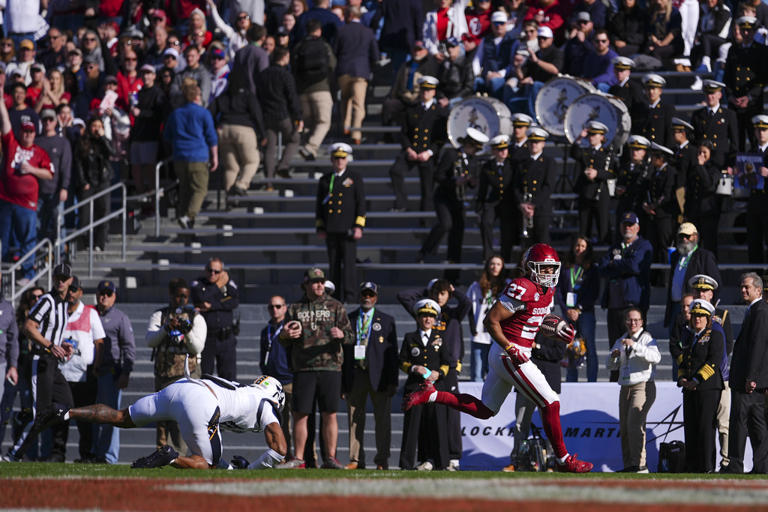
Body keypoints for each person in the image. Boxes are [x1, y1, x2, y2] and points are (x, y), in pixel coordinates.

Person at [403, 243, 593, 473]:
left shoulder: (547, 291)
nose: (548, 273)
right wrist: (510, 347)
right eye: (543, 269)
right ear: (531, 268)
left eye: (551, 269)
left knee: (485, 410)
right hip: (510, 352)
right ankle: (563, 460)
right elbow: (491, 321)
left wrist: (556, 327)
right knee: (550, 401)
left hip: (508, 352)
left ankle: (431, 394)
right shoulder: (523, 287)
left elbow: (532, 318)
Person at [33, 374, 288, 470]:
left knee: (121, 416)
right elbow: (280, 449)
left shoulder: (245, 390)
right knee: (205, 464)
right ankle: (170, 457)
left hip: (182, 386)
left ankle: (66, 413)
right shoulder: (267, 404)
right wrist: (254, 469)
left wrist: (236, 471)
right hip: (201, 401)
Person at [276, 267, 353, 469]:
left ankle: (330, 458)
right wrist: (285, 335)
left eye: (321, 281)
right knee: (300, 414)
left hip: (331, 366)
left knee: (330, 413)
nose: (319, 285)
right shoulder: (295, 308)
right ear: (306, 284)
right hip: (303, 368)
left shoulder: (336, 306)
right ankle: (299, 458)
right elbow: (283, 339)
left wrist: (342, 335)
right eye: (315, 282)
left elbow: (351, 336)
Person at [6, 264, 74, 461]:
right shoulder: (48, 300)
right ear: (53, 279)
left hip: (53, 362)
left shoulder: (63, 304)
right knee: (42, 413)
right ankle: (14, 454)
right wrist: (50, 344)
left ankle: (26, 418)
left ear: (70, 281)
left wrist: (62, 345)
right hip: (41, 360)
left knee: (66, 405)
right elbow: (28, 326)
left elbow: (49, 332)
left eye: (64, 278)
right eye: (57, 277)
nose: (60, 281)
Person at [146, 278, 207, 456]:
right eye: (178, 296)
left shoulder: (196, 318)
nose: (182, 300)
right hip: (164, 373)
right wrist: (165, 328)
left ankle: (182, 455)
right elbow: (150, 341)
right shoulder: (160, 315)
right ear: (171, 295)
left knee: (185, 418)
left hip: (188, 375)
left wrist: (186, 331)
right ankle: (161, 453)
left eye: (185, 296)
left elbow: (197, 348)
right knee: (162, 417)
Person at [342, 282, 399, 470]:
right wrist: (343, 384)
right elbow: (343, 353)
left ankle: (382, 459)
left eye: (371, 294)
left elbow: (392, 354)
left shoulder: (386, 320)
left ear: (376, 297)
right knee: (354, 419)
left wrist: (393, 381)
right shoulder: (349, 319)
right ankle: (355, 459)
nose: (367, 297)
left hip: (380, 376)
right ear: (359, 296)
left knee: (382, 420)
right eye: (364, 294)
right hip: (355, 374)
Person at [0, 92, 53, 284]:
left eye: (31, 132)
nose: (28, 135)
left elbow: (49, 173)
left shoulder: (39, 153)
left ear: (34, 134)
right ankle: (2, 271)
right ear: (21, 132)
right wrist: (0, 101)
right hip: (6, 198)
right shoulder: (12, 144)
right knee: (2, 237)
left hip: (27, 203)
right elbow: (5, 123)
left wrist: (31, 169)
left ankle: (28, 272)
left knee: (28, 238)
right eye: (25, 132)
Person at [417, 127, 487, 266]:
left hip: (459, 199)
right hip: (444, 197)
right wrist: (454, 181)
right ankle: (426, 251)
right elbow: (438, 175)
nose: (475, 152)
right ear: (468, 144)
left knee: (458, 232)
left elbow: (474, 180)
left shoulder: (473, 160)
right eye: (474, 148)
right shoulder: (451, 155)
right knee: (445, 224)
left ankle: (453, 263)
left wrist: (471, 182)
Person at [54, 277, 105, 463]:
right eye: (69, 289)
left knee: (86, 419)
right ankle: (58, 453)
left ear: (81, 292)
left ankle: (86, 454)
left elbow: (99, 342)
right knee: (60, 417)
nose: (71, 293)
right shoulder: (57, 311)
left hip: (84, 375)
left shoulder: (90, 313)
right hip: (61, 374)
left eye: (74, 289)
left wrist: (96, 367)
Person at [686, 274, 733, 471]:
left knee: (720, 425)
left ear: (711, 293)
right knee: (694, 426)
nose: (701, 294)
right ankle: (695, 466)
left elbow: (725, 348)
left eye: (704, 291)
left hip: (717, 378)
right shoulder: (690, 323)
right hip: (693, 382)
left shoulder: (721, 316)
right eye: (697, 291)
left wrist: (701, 377)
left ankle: (725, 463)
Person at [599, 212, 653, 381]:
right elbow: (602, 267)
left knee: (634, 345)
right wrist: (623, 264)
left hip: (633, 306)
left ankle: (633, 379)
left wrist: (615, 264)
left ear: (637, 227)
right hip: (614, 305)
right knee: (615, 347)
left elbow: (635, 266)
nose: (627, 228)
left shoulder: (644, 245)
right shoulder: (615, 246)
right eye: (625, 225)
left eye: (631, 225)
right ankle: (614, 380)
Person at [398, 299, 451, 470]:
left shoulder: (440, 338)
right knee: (412, 426)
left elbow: (447, 362)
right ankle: (406, 464)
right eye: (424, 316)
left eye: (430, 316)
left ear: (435, 319)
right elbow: (402, 361)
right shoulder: (409, 337)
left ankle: (441, 463)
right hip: (415, 388)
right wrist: (414, 367)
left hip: (435, 388)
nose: (427, 319)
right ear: (418, 318)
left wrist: (439, 373)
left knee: (437, 425)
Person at [724, 273, 768, 474]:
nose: (743, 290)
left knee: (739, 423)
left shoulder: (760, 311)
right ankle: (761, 466)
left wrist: (751, 377)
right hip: (753, 380)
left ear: (758, 290)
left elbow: (758, 346)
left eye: (747, 287)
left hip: (748, 381)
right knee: (756, 424)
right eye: (741, 287)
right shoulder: (756, 310)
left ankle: (735, 464)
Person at [607, 307, 660, 473]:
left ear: (642, 322)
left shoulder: (646, 338)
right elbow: (610, 366)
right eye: (630, 320)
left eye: (636, 320)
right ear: (625, 322)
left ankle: (640, 465)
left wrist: (635, 346)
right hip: (625, 386)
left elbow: (656, 358)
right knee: (624, 427)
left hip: (642, 385)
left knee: (635, 424)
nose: (633, 323)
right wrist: (614, 356)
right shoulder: (621, 339)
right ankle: (629, 465)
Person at [505, 329, 565, 472]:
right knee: (520, 424)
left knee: (551, 424)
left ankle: (552, 462)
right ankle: (518, 461)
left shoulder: (559, 326)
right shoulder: (526, 322)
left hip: (548, 382)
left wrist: (537, 347)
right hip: (525, 380)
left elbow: (558, 354)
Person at [677, 298, 725, 473]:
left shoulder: (715, 335)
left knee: (705, 427)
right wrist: (682, 379)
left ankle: (706, 466)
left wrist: (697, 380)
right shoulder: (689, 337)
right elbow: (684, 361)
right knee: (691, 426)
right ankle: (691, 465)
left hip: (708, 387)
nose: (697, 319)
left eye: (701, 316)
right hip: (689, 388)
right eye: (695, 315)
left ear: (708, 318)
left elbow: (714, 361)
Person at [315, 143, 365, 303]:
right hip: (331, 228)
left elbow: (361, 203)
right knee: (334, 264)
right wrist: (320, 226)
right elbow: (319, 206)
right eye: (336, 158)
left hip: (348, 228)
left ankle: (350, 296)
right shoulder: (325, 179)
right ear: (331, 159)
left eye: (342, 158)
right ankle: (335, 297)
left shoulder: (354, 177)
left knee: (349, 265)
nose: (339, 161)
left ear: (347, 159)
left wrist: (359, 225)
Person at [389, 75, 448, 212]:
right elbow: (403, 132)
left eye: (428, 90)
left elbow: (441, 138)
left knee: (427, 189)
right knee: (395, 171)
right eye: (423, 90)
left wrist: (429, 152)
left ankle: (424, 220)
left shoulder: (440, 112)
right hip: (412, 151)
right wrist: (408, 149)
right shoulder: (412, 109)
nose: (425, 93)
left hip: (427, 154)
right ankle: (401, 203)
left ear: (433, 92)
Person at [163, 82, 218, 230]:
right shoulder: (203, 113)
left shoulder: (175, 114)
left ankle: (185, 222)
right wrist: (215, 156)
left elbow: (167, 136)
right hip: (198, 156)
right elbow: (211, 137)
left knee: (185, 190)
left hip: (180, 156)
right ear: (196, 96)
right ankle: (189, 216)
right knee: (200, 189)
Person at [92, 279, 135, 464]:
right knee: (91, 415)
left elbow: (129, 347)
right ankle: (94, 452)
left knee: (110, 415)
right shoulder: (88, 313)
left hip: (110, 372)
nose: (104, 297)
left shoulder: (120, 318)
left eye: (108, 294)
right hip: (88, 372)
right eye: (102, 293)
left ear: (114, 297)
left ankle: (109, 456)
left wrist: (126, 372)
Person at [208, 83, 264, 199]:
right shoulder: (247, 95)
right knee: (252, 161)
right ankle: (241, 184)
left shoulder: (223, 96)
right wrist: (262, 134)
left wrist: (215, 126)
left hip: (223, 131)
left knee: (231, 168)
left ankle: (230, 199)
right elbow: (257, 114)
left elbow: (210, 112)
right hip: (244, 129)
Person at [663, 222, 721, 332]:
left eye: (687, 236)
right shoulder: (676, 255)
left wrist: (707, 308)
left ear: (695, 236)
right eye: (681, 236)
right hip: (676, 306)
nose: (684, 239)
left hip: (695, 309)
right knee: (675, 340)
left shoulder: (704, 256)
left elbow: (716, 283)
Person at [557, 236, 600, 382]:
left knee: (590, 347)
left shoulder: (592, 268)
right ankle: (571, 381)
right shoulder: (566, 266)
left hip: (585, 313)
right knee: (571, 347)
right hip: (568, 314)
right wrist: (566, 310)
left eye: (583, 246)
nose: (579, 249)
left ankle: (592, 381)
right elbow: (559, 291)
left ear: (587, 249)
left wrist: (579, 309)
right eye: (577, 245)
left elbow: (594, 292)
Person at [292, 19, 336, 161]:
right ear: (319, 30)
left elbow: (293, 67)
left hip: (303, 91)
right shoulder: (324, 45)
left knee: (309, 123)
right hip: (322, 89)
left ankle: (308, 153)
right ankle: (310, 147)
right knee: (323, 122)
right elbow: (332, 65)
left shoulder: (299, 46)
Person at [335, 6, 379, 145]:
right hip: (361, 71)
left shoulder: (341, 31)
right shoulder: (368, 32)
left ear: (348, 15)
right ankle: (356, 133)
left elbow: (335, 50)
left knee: (345, 99)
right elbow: (375, 55)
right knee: (358, 103)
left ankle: (345, 127)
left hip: (344, 70)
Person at [258, 47, 302, 185]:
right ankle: (283, 166)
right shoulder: (285, 75)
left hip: (266, 116)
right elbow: (292, 97)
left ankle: (269, 181)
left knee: (269, 149)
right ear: (285, 57)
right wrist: (298, 117)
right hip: (283, 115)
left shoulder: (262, 75)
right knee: (294, 139)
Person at [191, 258, 240, 381]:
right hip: (208, 338)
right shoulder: (199, 284)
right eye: (210, 270)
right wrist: (218, 286)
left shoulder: (229, 284)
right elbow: (201, 297)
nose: (212, 274)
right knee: (205, 377)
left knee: (229, 378)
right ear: (205, 270)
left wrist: (212, 305)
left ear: (222, 272)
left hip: (226, 338)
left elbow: (234, 302)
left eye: (216, 272)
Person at [260, 296, 294, 459]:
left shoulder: (290, 328)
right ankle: (282, 457)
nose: (275, 310)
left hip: (289, 381)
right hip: (272, 384)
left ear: (285, 308)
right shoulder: (266, 331)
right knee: (277, 424)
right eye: (271, 307)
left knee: (297, 422)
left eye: (278, 306)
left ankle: (304, 457)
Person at [74, 117, 114, 252]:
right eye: (94, 126)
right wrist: (83, 181)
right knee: (85, 215)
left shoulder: (104, 142)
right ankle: (85, 242)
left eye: (99, 126)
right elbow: (78, 163)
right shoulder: (83, 142)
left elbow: (112, 153)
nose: (96, 129)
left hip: (102, 181)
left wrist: (103, 138)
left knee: (103, 212)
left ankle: (100, 243)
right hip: (88, 183)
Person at [571, 120, 614, 244]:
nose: (591, 138)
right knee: (584, 225)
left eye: (594, 135)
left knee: (603, 223)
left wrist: (597, 173)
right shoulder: (585, 151)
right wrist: (579, 138)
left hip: (601, 192)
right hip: (586, 192)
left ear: (601, 137)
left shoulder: (607, 153)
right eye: (590, 135)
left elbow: (612, 172)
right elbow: (574, 153)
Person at [724, 17, 764, 152]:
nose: (746, 33)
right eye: (743, 30)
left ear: (753, 31)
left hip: (752, 104)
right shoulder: (733, 50)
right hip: (735, 103)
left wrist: (750, 97)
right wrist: (730, 96)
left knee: (755, 140)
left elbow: (763, 79)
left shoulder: (762, 51)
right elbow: (727, 77)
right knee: (736, 141)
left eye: (749, 30)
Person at [467, 256, 509, 382]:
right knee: (477, 375)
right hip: (480, 334)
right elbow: (469, 307)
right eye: (492, 264)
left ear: (502, 267)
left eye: (498, 264)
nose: (494, 267)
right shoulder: (476, 286)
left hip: (498, 335)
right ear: (487, 266)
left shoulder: (508, 285)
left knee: (496, 376)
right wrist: (472, 327)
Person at [513, 126, 557, 245]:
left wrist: (533, 205)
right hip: (524, 209)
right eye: (532, 142)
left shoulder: (549, 162)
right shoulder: (522, 163)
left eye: (537, 142)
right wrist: (522, 203)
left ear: (543, 144)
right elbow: (516, 185)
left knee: (542, 242)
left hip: (541, 208)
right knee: (527, 244)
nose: (534, 145)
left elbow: (549, 186)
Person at [476, 135, 516, 262]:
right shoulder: (488, 166)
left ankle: (506, 258)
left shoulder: (512, 165)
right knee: (486, 222)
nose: (503, 152)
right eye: (499, 149)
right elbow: (483, 188)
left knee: (507, 230)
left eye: (505, 149)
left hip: (508, 201)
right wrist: (479, 206)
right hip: (493, 200)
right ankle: (488, 255)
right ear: (494, 151)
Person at [35, 109, 72, 243]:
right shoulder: (36, 141)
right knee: (37, 226)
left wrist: (64, 187)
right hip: (37, 191)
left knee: (58, 225)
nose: (48, 122)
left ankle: (60, 256)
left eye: (50, 120)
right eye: (45, 120)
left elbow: (65, 166)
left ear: (55, 122)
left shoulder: (62, 142)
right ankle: (38, 256)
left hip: (55, 190)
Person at [130, 64, 166, 195]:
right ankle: (141, 194)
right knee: (136, 168)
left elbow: (158, 115)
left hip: (150, 136)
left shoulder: (158, 93)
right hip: (137, 136)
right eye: (144, 73)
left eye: (149, 73)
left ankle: (152, 197)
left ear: (154, 76)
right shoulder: (138, 93)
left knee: (149, 168)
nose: (146, 76)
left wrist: (141, 113)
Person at [641, 142, 678, 262]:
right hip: (653, 215)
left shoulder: (670, 172)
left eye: (653, 157)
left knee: (664, 245)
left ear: (660, 158)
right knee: (653, 245)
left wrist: (654, 206)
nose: (651, 159)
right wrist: (646, 205)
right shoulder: (653, 172)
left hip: (664, 215)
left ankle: (665, 277)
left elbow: (667, 194)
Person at [690, 80, 737, 170]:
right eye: (707, 93)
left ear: (719, 95)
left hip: (721, 161)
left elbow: (734, 142)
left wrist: (732, 163)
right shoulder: (697, 115)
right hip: (702, 159)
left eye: (712, 93)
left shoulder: (728, 114)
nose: (709, 97)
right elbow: (693, 139)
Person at [745, 115, 768, 263]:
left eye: (764, 130)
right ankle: (756, 282)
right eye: (758, 130)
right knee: (754, 243)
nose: (761, 133)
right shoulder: (751, 151)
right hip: (754, 201)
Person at [640, 74, 674, 148]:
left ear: (660, 91)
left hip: (659, 151)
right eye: (648, 89)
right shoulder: (641, 109)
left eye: (653, 88)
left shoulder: (667, 109)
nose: (651, 92)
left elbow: (669, 134)